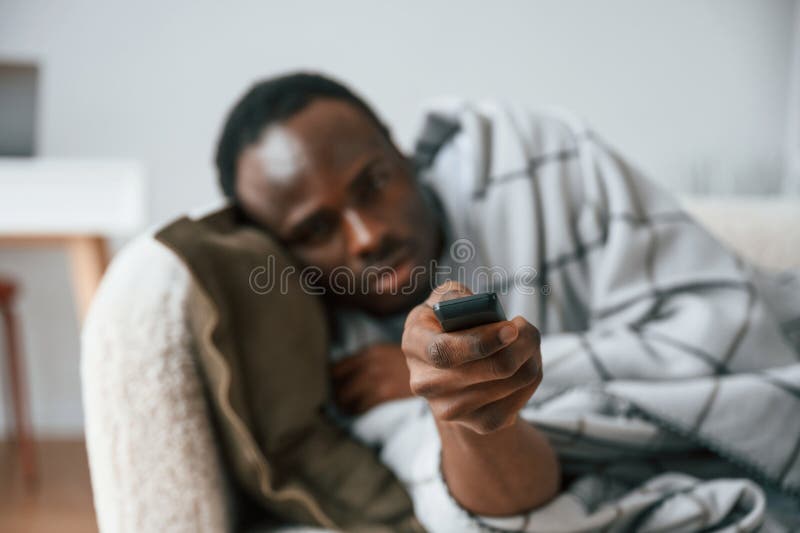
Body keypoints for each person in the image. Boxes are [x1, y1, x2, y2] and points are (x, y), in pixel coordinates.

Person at [211, 72, 800, 532]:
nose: (367, 236)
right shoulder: (340, 365)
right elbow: (479, 514)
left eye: (373, 184)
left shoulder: (533, 158)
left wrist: (526, 364)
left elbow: (730, 328)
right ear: (281, 254)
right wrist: (463, 411)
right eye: (316, 231)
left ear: (399, 149)